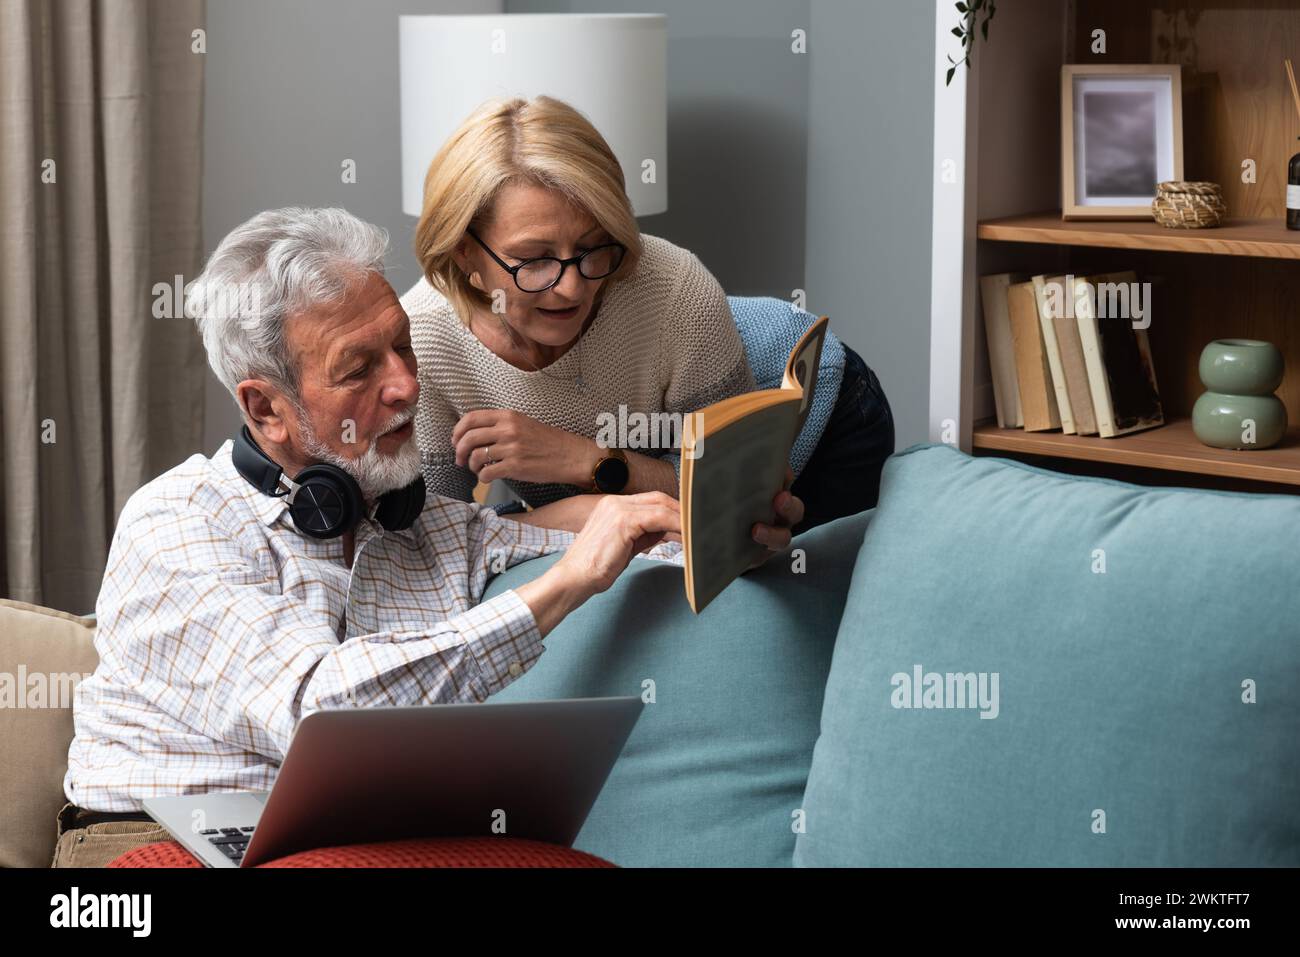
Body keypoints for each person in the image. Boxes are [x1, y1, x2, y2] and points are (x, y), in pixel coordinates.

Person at [55, 206, 805, 867]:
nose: (407, 385)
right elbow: (319, 714)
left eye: (403, 347)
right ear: (266, 409)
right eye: (360, 367)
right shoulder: (180, 521)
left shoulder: (432, 526)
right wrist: (567, 582)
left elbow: (636, 536)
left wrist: (731, 524)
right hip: (150, 842)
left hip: (358, 844)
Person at [402, 95, 894, 534]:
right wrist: (538, 520)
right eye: (534, 260)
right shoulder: (421, 339)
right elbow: (439, 537)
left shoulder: (677, 289)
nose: (573, 287)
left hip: (820, 414)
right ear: (465, 253)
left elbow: (732, 492)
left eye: (594, 248)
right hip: (651, 484)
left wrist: (583, 459)